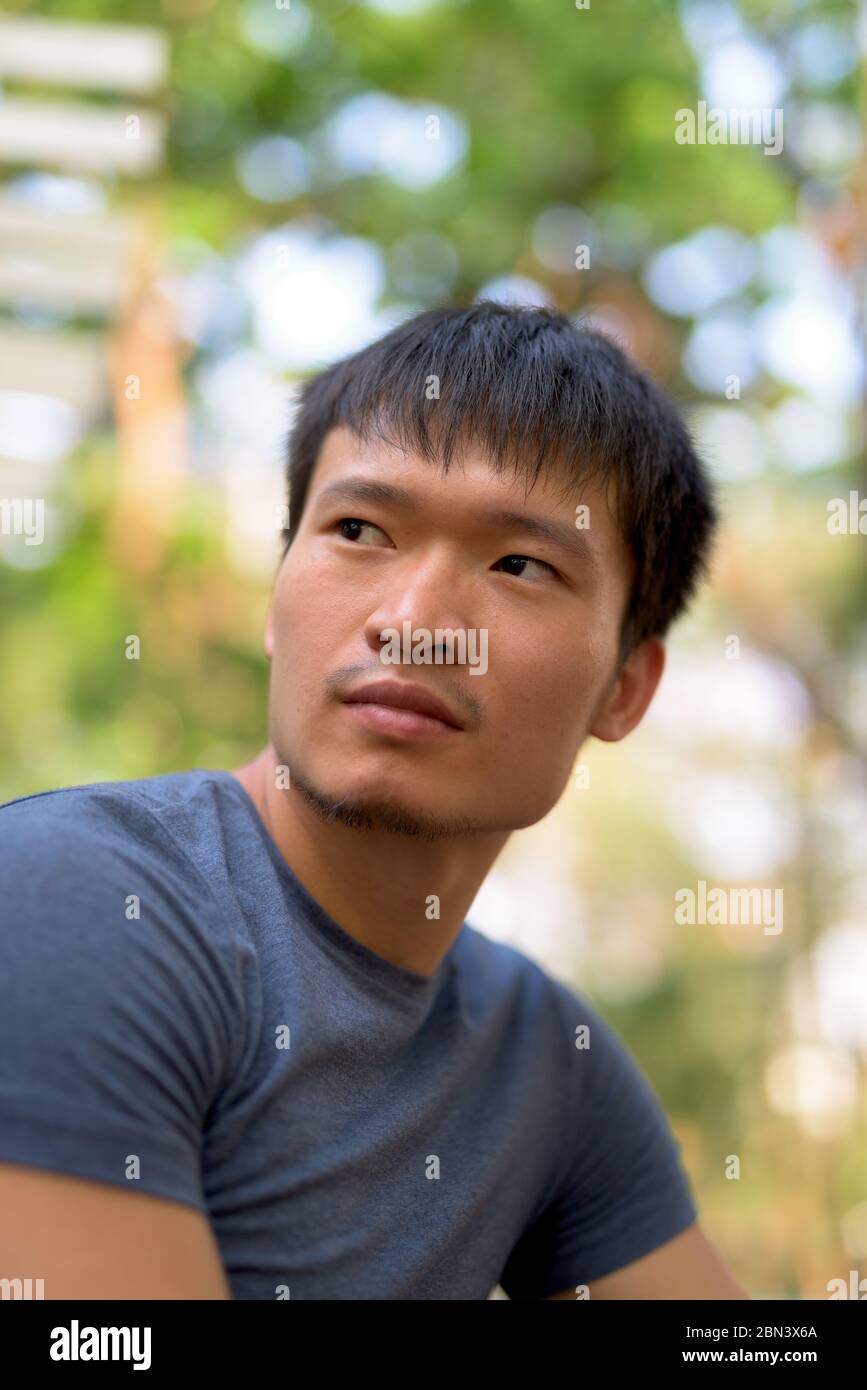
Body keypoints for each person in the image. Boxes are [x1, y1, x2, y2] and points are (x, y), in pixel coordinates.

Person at [0, 302, 749, 1299]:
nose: (412, 623)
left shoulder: (540, 1059)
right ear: (277, 594)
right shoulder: (80, 902)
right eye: (359, 529)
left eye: (519, 564)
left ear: (623, 689)